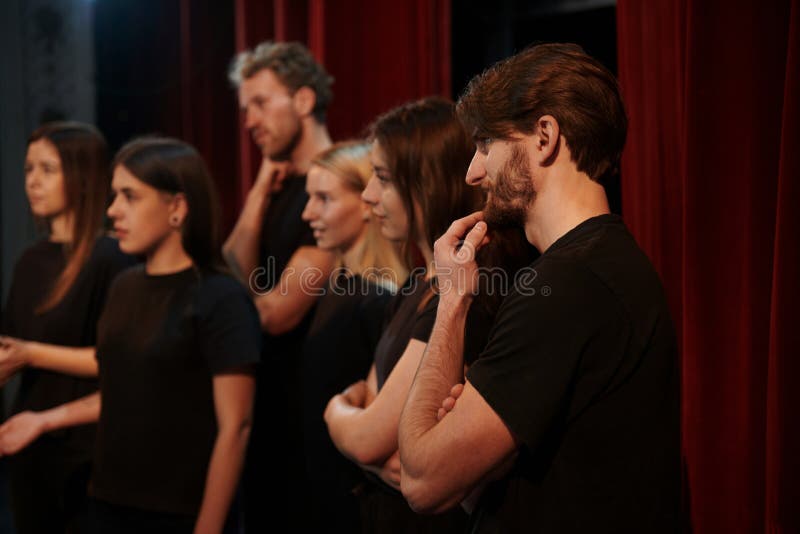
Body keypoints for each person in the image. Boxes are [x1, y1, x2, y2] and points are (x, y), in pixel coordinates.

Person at [398, 43, 681, 533]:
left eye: (486, 143)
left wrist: (452, 301)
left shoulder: (569, 282)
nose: (472, 171)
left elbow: (422, 480)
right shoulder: (600, 265)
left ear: (545, 136)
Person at [0, 137, 261, 533]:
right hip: (108, 503)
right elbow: (124, 392)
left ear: (177, 207)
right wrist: (44, 420)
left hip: (176, 511)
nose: (113, 210)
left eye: (129, 196)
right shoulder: (125, 287)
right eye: (113, 196)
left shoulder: (219, 297)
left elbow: (235, 428)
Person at [324, 97, 486, 533]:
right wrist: (367, 443)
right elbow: (378, 435)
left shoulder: (456, 295)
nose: (368, 196)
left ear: (427, 182)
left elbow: (369, 437)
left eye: (383, 179)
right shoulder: (416, 286)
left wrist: (333, 412)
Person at [0, 121, 133, 533]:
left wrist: (30, 354)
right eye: (27, 170)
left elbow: (117, 361)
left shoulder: (111, 258)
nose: (33, 182)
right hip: (28, 446)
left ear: (80, 176)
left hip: (87, 452)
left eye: (47, 170)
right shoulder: (31, 261)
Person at [225, 40, 336, 525]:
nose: (249, 120)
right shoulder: (277, 184)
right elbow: (234, 269)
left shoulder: (341, 184)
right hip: (267, 399)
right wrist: (256, 194)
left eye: (261, 103)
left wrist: (218, 308)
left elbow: (277, 311)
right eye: (245, 107)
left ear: (304, 101)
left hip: (309, 406)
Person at [299, 141, 407, 532]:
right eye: (309, 197)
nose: (308, 212)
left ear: (365, 201)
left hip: (362, 504)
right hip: (326, 491)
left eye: (323, 198)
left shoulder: (380, 299)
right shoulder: (339, 286)